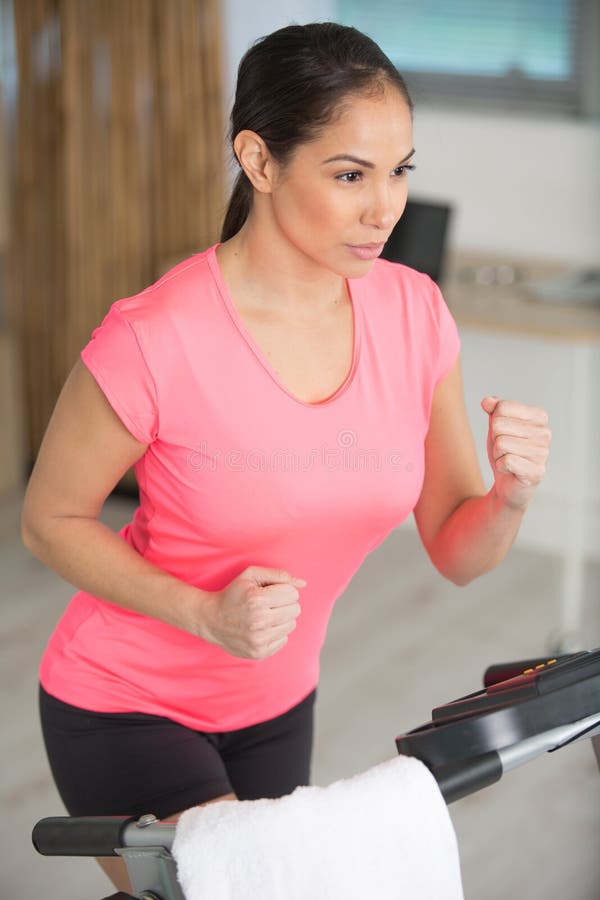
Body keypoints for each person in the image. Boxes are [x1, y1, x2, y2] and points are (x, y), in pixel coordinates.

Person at [22, 21, 550, 894]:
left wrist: (511, 498)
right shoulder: (154, 338)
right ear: (259, 161)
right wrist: (203, 614)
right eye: (349, 175)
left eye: (400, 170)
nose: (385, 207)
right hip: (123, 700)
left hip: (276, 704)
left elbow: (456, 550)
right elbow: (49, 522)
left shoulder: (415, 315)